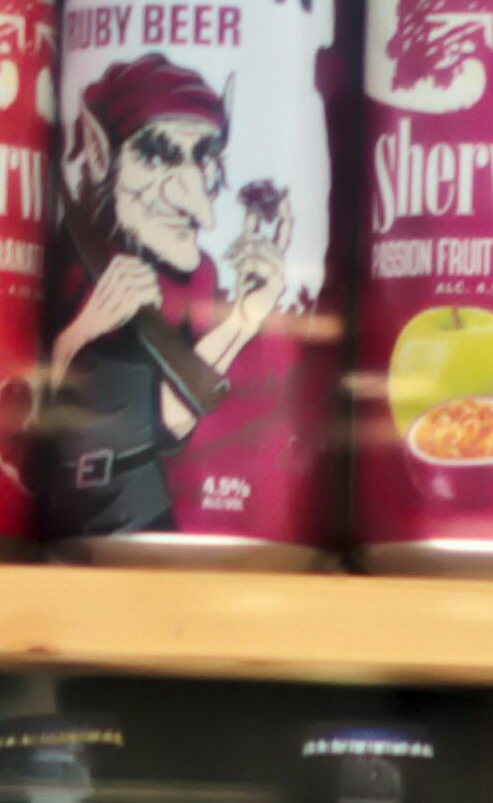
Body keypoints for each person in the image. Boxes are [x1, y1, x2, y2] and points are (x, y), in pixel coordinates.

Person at [39, 52, 300, 541]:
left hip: (154, 518)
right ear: (101, 156)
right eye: (157, 156)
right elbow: (135, 421)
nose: (200, 208)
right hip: (99, 520)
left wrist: (245, 317)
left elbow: (169, 421)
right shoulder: (79, 263)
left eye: (204, 157)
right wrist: (82, 330)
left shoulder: (196, 274)